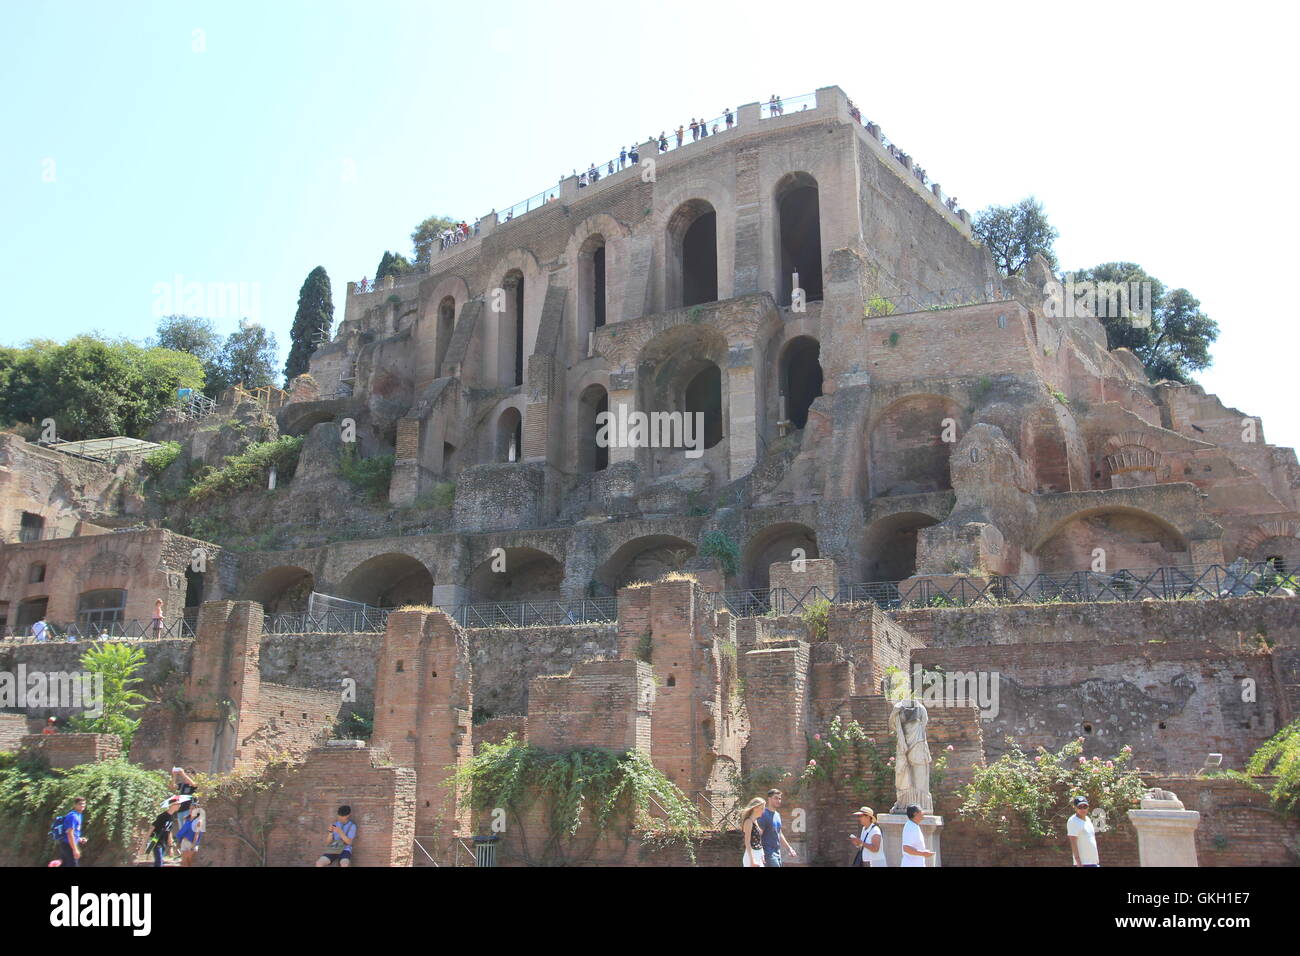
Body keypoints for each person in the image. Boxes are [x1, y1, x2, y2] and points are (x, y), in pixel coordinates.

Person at [758, 789, 797, 867]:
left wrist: (789, 848)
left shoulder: (777, 815)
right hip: (768, 854)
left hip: (777, 853)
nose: (778, 801)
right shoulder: (763, 814)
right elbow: (758, 835)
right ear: (769, 799)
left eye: (779, 798)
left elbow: (779, 833)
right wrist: (760, 852)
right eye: (776, 798)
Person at [147, 796, 185, 867]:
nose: (179, 806)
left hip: (163, 843)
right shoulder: (162, 816)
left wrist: (171, 847)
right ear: (172, 805)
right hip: (156, 840)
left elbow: (169, 832)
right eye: (177, 804)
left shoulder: (172, 817)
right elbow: (152, 828)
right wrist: (144, 843)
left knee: (159, 862)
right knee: (159, 862)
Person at [1067, 795, 1100, 867]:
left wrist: (1096, 860)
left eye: (1085, 807)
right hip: (1083, 863)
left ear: (1088, 807)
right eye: (1080, 807)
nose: (1083, 809)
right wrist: (1078, 861)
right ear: (1075, 808)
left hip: (1093, 862)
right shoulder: (1073, 821)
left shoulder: (1088, 819)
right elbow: (1073, 842)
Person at [56, 797, 86, 867]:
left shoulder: (79, 815)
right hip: (68, 845)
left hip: (68, 844)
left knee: (65, 865)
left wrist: (79, 839)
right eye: (80, 804)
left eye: (84, 804)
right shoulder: (73, 816)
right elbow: (69, 833)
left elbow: (74, 833)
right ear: (75, 805)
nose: (82, 806)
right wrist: (75, 849)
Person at [175, 797, 204, 867]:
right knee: (184, 862)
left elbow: (197, 834)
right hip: (184, 842)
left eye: (193, 809)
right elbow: (183, 831)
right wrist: (178, 843)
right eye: (190, 808)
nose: (191, 810)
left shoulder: (198, 821)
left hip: (191, 843)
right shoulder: (186, 819)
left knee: (190, 863)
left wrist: (193, 846)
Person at [738, 797, 766, 867]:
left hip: (758, 853)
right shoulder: (748, 822)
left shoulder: (755, 821)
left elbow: (758, 840)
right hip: (751, 855)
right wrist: (752, 860)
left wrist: (762, 854)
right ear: (755, 808)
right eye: (762, 808)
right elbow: (747, 842)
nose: (763, 811)